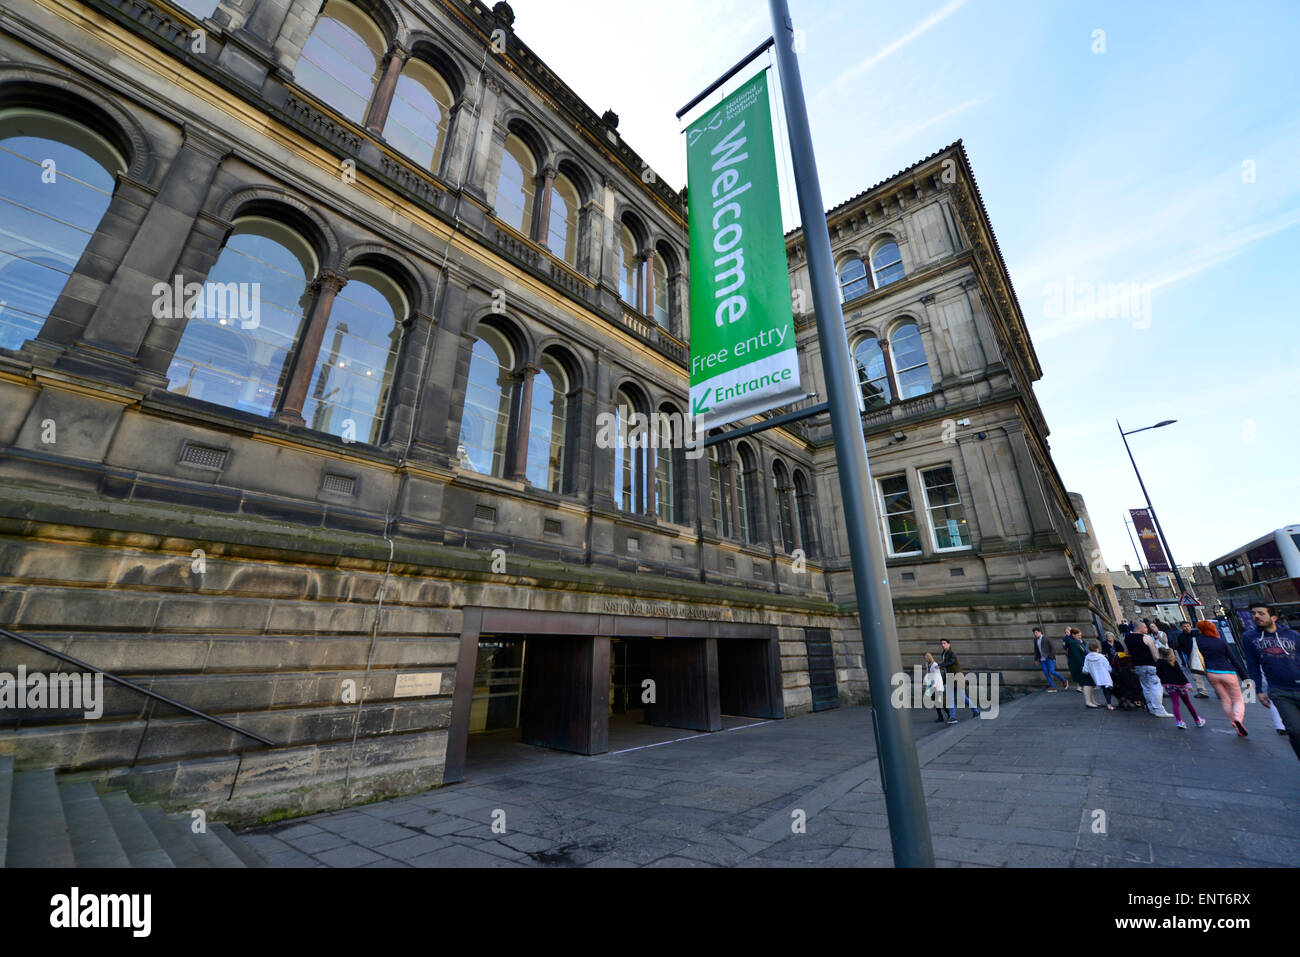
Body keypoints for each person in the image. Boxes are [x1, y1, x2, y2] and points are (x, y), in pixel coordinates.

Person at [1242, 602, 1300, 760]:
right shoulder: (1249, 637)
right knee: (1294, 730)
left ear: (1273, 617)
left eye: (1261, 613)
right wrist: (1257, 690)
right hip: (1279, 690)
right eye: (1254, 613)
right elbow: (1252, 665)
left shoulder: (1292, 635)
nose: (1256, 616)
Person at [1195, 619, 1248, 737]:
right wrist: (1245, 678)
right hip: (1228, 672)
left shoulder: (1197, 642)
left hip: (1211, 673)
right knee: (1238, 699)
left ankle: (1235, 725)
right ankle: (1238, 719)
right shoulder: (1220, 642)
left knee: (1225, 699)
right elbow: (1234, 660)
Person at [1127, 621, 1172, 717]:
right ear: (1141, 627)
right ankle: (1159, 709)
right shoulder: (1146, 638)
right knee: (1156, 687)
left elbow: (1126, 652)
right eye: (1146, 628)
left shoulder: (1126, 638)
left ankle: (1151, 707)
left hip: (1138, 666)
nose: (1147, 630)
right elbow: (1155, 655)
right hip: (1149, 665)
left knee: (1146, 687)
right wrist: (1161, 664)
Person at [1156, 645, 1205, 730]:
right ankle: (1197, 720)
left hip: (1169, 686)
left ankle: (1179, 721)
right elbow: (1180, 674)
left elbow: (1158, 674)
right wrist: (1187, 684)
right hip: (1180, 685)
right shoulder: (1174, 662)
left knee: (1175, 703)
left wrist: (1163, 681)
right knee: (1188, 703)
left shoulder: (1159, 662)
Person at [939, 638, 979, 723]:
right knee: (951, 699)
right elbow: (946, 669)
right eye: (942, 644)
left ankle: (975, 711)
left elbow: (951, 662)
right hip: (950, 678)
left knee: (963, 697)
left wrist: (940, 665)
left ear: (949, 644)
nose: (943, 645)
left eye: (944, 643)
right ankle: (952, 717)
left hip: (958, 678)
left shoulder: (952, 654)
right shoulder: (943, 654)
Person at [1174, 620, 1211, 698]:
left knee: (1210, 674)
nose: (1187, 628)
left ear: (1190, 626)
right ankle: (1202, 692)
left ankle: (1218, 690)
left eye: (1188, 626)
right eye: (1184, 627)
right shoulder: (1181, 637)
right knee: (1197, 676)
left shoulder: (1197, 633)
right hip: (1191, 657)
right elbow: (1181, 647)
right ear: (1181, 628)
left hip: (1203, 655)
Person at [1032, 627, 1068, 692]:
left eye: (1036, 632)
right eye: (1034, 633)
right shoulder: (1035, 640)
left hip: (1049, 658)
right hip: (1042, 660)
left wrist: (1051, 657)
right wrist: (1036, 659)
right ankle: (1053, 687)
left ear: (1040, 632)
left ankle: (1064, 680)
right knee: (1046, 673)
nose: (1035, 634)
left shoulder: (1046, 639)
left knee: (1052, 671)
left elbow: (1053, 649)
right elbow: (1036, 650)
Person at [1082, 639, 1116, 710]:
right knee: (1107, 690)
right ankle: (1109, 704)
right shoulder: (1101, 657)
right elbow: (1108, 667)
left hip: (1096, 678)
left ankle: (1109, 704)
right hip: (1105, 676)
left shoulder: (1087, 657)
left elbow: (1085, 670)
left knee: (1104, 690)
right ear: (1097, 649)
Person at [924, 652, 946, 723]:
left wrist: (933, 686)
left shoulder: (935, 665)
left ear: (929, 657)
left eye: (926, 658)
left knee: (938, 702)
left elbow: (936, 676)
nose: (925, 659)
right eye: (925, 658)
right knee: (935, 701)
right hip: (931, 684)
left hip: (937, 685)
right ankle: (940, 716)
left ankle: (948, 714)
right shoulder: (927, 664)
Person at [1064, 628, 1088, 693]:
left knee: (1083, 678)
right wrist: (1082, 664)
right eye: (1078, 635)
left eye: (1080, 635)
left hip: (1082, 662)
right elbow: (1076, 656)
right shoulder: (1072, 643)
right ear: (1073, 635)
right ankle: (1082, 688)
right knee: (1082, 677)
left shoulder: (1078, 641)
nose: (1080, 637)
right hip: (1079, 663)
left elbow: (1084, 650)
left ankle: (1082, 688)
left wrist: (1082, 643)